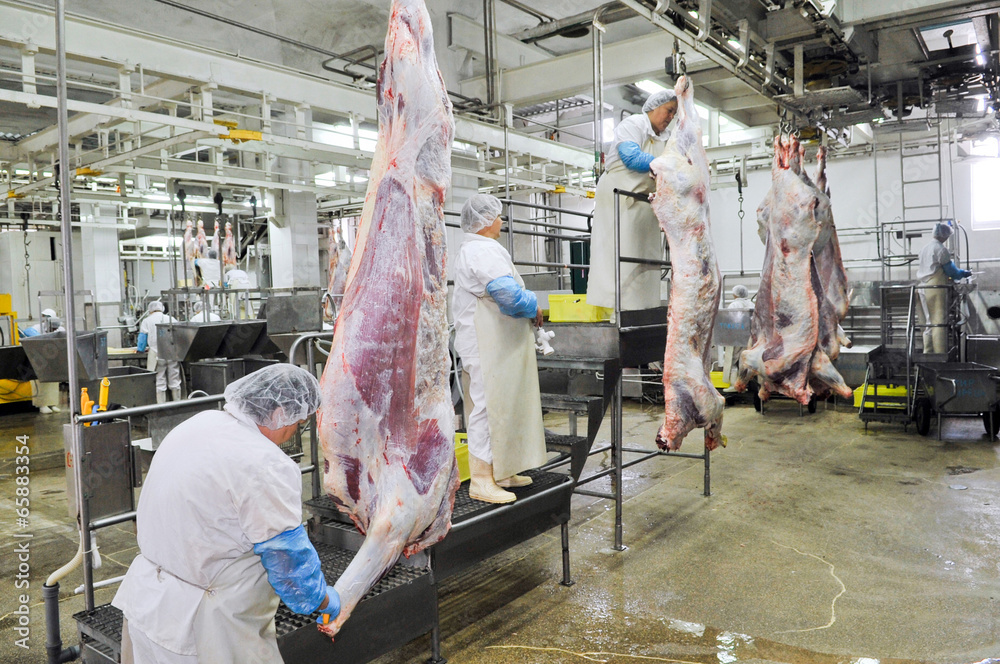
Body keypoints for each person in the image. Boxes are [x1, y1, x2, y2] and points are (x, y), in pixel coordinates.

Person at [112, 365, 339, 664]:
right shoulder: (266, 463)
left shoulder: (200, 423)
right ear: (281, 413)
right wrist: (321, 598)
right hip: (203, 629)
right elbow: (288, 563)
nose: (295, 430)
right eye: (299, 421)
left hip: (147, 604)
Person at [452, 194, 548, 504]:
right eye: (498, 216)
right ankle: (480, 478)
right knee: (487, 406)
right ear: (483, 222)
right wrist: (534, 305)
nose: (502, 221)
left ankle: (502, 470)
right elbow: (508, 297)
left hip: (496, 342)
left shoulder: (479, 249)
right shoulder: (482, 250)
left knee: (503, 404)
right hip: (485, 342)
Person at [586, 89, 679, 313]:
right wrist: (667, 166)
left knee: (644, 259)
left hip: (644, 203)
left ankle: (642, 310)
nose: (670, 117)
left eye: (674, 114)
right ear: (654, 107)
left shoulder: (667, 137)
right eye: (668, 111)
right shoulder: (633, 124)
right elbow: (632, 158)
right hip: (619, 197)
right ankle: (614, 311)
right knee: (617, 253)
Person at [916, 223, 971, 354]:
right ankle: (940, 354)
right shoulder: (940, 249)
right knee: (939, 321)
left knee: (929, 321)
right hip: (935, 288)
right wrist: (964, 273)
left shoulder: (925, 248)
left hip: (922, 286)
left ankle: (928, 353)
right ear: (944, 235)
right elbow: (952, 272)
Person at [138, 301, 182, 404]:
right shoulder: (171, 319)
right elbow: (180, 334)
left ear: (150, 310)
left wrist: (140, 349)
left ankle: (161, 405)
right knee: (174, 379)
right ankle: (178, 403)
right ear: (162, 308)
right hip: (172, 353)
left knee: (159, 380)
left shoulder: (147, 321)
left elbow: (142, 339)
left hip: (155, 354)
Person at [20, 309, 63, 413]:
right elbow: (26, 333)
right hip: (40, 360)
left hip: (53, 359)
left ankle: (52, 404)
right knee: (40, 382)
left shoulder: (60, 329)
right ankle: (42, 405)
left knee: (53, 382)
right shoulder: (37, 328)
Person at [721, 285, 754, 388]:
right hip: (749, 338)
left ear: (735, 294)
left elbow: (729, 321)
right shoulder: (752, 304)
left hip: (736, 337)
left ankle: (735, 385)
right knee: (746, 361)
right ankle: (746, 383)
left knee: (733, 361)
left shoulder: (733, 305)